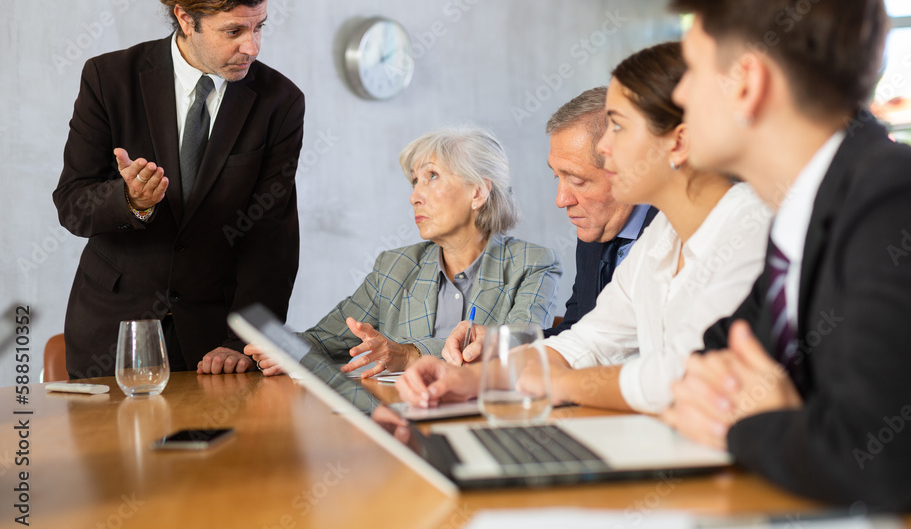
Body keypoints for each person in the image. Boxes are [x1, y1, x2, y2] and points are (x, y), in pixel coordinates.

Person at [660, 0, 911, 529]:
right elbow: (714, 363)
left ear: (746, 83)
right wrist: (780, 417)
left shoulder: (905, 197)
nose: (680, 94)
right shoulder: (800, 216)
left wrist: (748, 423)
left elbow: (887, 461)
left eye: (691, 68)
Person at [397, 42, 770, 413]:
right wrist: (464, 380)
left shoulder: (753, 229)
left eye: (618, 127)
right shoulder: (662, 238)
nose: (605, 147)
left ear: (678, 143)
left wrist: (558, 382)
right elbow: (584, 343)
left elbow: (686, 377)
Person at [53, 0, 304, 379]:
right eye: (234, 31)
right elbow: (72, 205)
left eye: (259, 27)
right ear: (186, 19)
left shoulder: (279, 102)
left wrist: (243, 342)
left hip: (215, 345)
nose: (253, 47)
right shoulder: (108, 79)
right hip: (111, 335)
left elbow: (272, 243)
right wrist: (130, 200)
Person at [247, 127, 562, 380]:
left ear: (477, 192)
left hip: (494, 422)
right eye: (414, 181)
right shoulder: (395, 266)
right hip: (400, 421)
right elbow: (324, 339)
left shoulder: (532, 264)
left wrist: (410, 353)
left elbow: (523, 344)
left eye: (432, 176)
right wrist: (274, 350)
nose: (414, 196)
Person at [443, 88, 658, 364]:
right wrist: (501, 343)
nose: (561, 200)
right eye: (558, 177)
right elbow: (576, 333)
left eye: (577, 180)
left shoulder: (678, 230)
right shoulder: (596, 233)